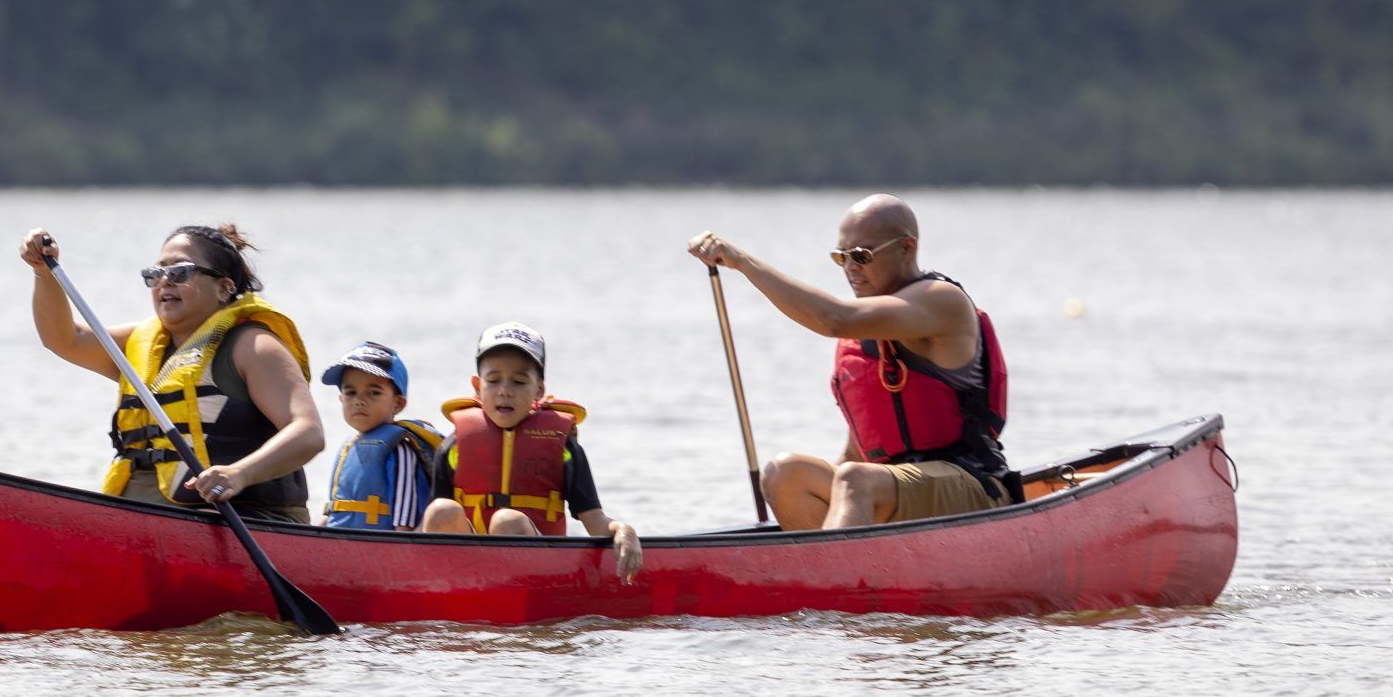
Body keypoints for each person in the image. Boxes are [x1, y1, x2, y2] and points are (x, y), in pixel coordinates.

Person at [686, 193, 1015, 530]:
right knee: (785, 474)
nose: (850, 268)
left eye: (861, 255)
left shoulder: (940, 301)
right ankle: (822, 571)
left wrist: (741, 261)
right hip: (892, 485)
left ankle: (830, 578)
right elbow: (857, 455)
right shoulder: (867, 333)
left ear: (907, 248)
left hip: (973, 486)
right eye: (841, 257)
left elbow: (832, 318)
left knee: (855, 480)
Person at [21, 223, 324, 523]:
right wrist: (43, 272)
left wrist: (239, 474)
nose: (165, 281)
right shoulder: (139, 343)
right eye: (156, 274)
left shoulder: (254, 346)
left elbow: (308, 432)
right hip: (144, 518)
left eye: (180, 272)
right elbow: (63, 339)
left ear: (224, 287)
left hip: (241, 519)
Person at [419, 323, 642, 582]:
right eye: (494, 380)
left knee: (506, 521)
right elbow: (430, 526)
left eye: (519, 381)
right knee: (440, 510)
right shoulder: (454, 446)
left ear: (538, 390)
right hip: (465, 572)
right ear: (478, 386)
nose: (505, 390)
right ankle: (442, 593)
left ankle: (512, 601)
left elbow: (596, 522)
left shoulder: (564, 449)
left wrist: (624, 531)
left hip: (539, 572)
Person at [319, 340, 445, 532]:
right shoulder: (349, 447)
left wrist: (399, 549)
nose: (359, 401)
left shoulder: (400, 448)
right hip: (345, 544)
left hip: (385, 546)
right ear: (341, 399)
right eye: (351, 393)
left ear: (398, 404)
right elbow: (334, 508)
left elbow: (405, 518)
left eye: (373, 392)